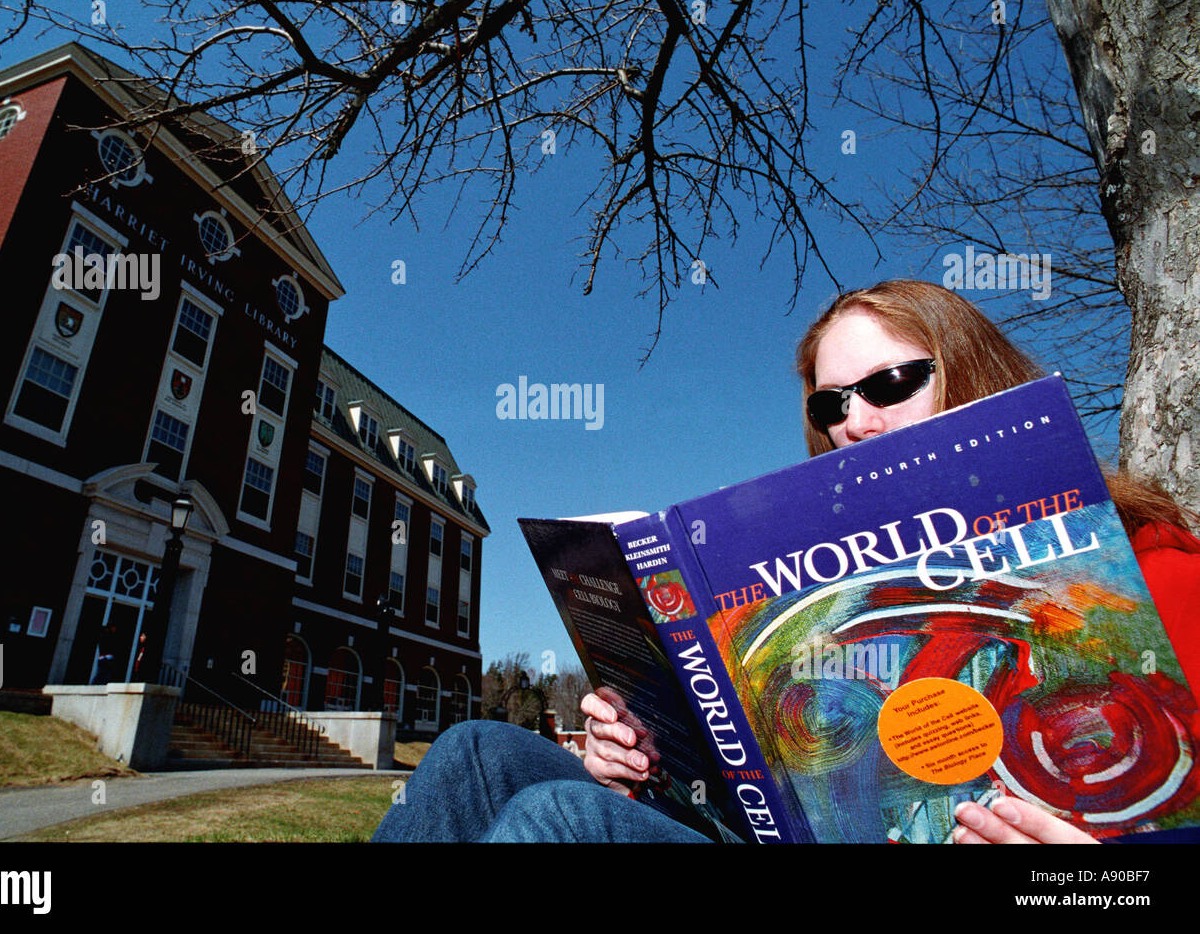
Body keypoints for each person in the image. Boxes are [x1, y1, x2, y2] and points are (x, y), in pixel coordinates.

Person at [372, 279, 1198, 843]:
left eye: (891, 383)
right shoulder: (820, 587)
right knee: (476, 751)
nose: (855, 423)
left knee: (560, 819)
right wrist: (638, 757)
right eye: (830, 403)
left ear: (974, 373)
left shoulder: (1149, 561)